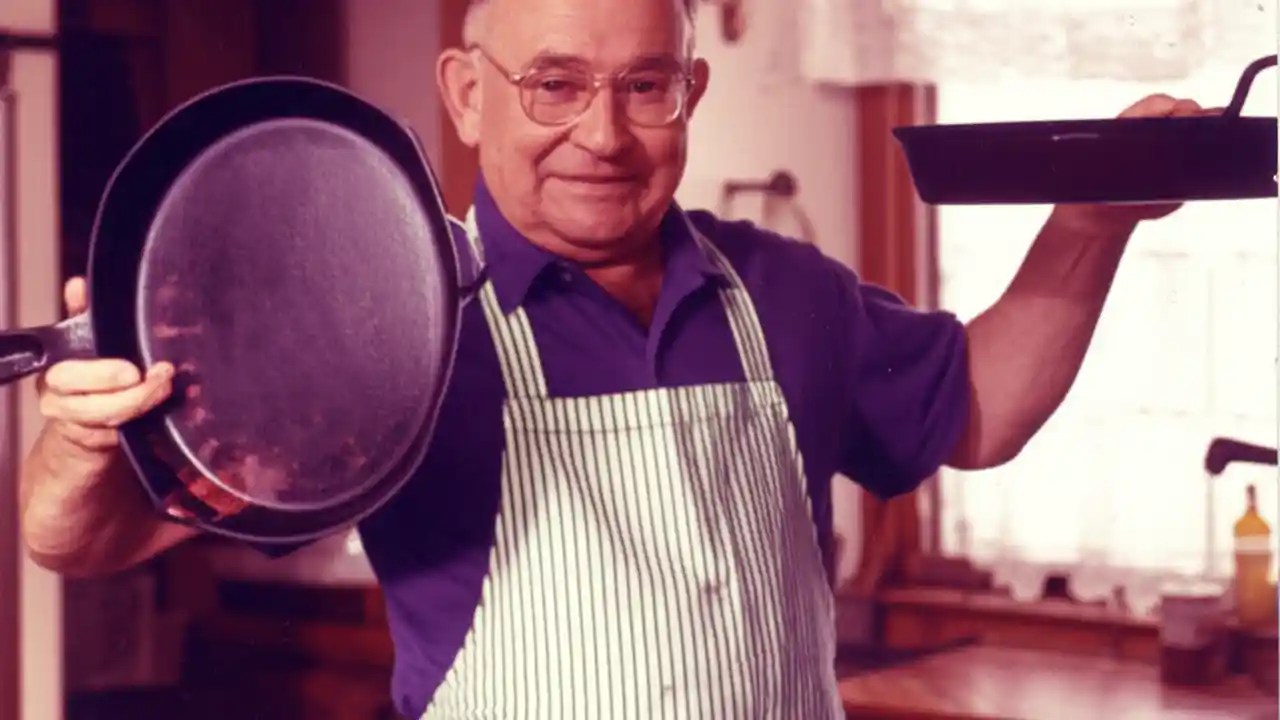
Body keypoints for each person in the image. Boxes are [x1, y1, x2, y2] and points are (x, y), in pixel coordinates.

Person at [20, 0, 1219, 716]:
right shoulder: (370, 313)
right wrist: (82, 446)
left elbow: (976, 411)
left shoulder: (784, 290)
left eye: (643, 86)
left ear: (689, 91)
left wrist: (1090, 221)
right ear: (465, 96)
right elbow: (95, 539)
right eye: (552, 85)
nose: (600, 135)